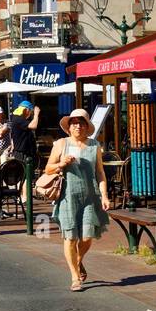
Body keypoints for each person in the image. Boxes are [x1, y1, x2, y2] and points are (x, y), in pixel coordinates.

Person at [44, 109, 110, 291]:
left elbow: (100, 172)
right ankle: (75, 277)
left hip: (90, 195)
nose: (77, 126)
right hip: (67, 196)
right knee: (70, 237)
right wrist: (61, 164)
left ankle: (78, 259)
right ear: (69, 127)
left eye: (81, 123)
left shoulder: (94, 145)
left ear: (87, 126)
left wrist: (104, 195)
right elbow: (47, 169)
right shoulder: (61, 144)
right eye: (74, 123)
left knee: (88, 236)